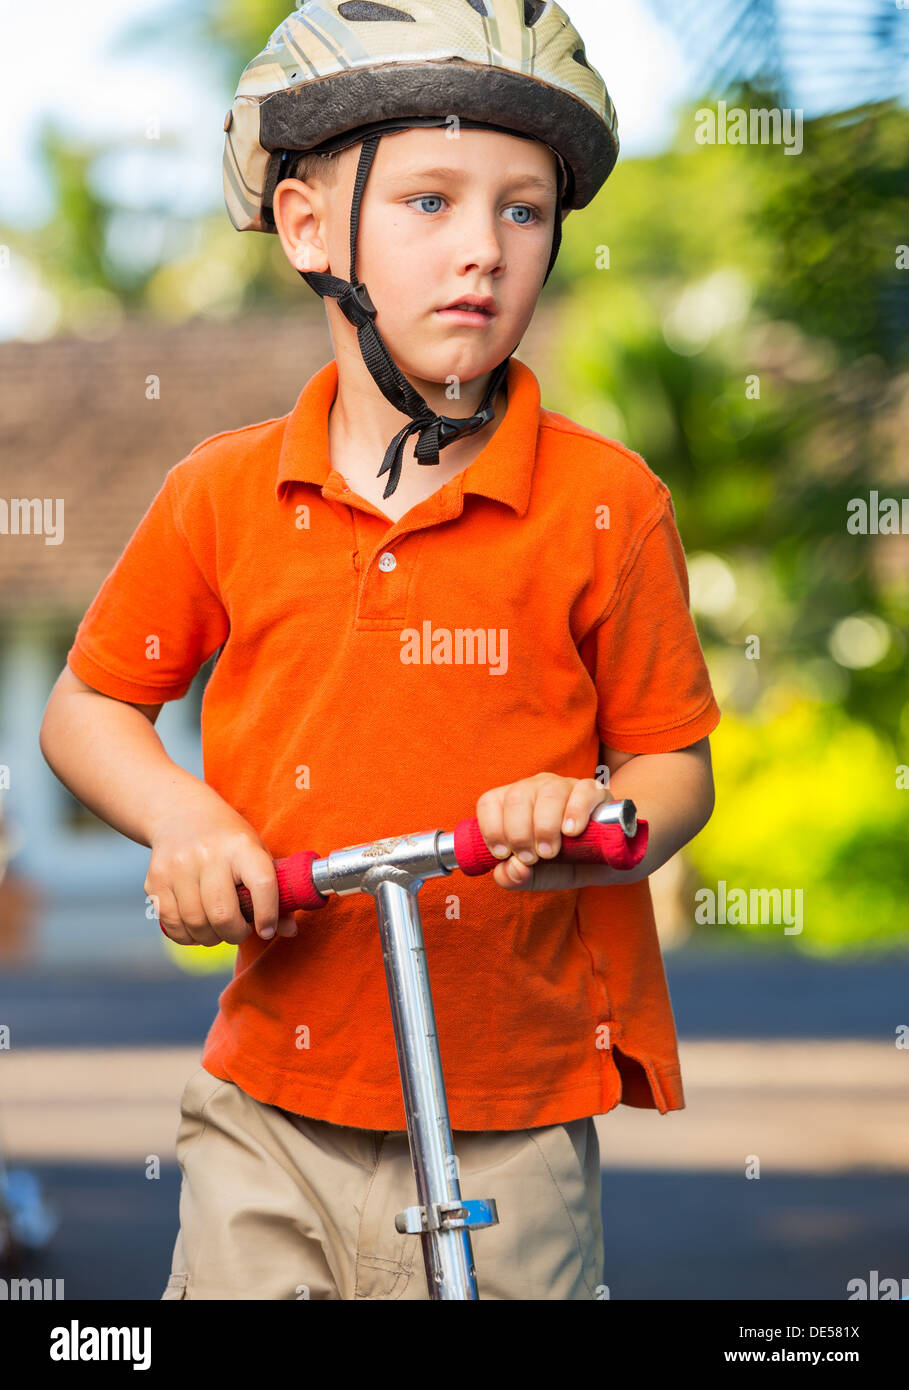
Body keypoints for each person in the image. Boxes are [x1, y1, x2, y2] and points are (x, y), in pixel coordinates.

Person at [39, 0, 720, 1300]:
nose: (482, 249)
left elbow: (671, 758)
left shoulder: (606, 500)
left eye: (523, 210)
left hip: (509, 1113)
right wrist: (186, 822)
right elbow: (89, 707)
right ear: (307, 227)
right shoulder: (220, 495)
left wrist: (598, 820)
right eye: (428, 202)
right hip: (269, 1101)